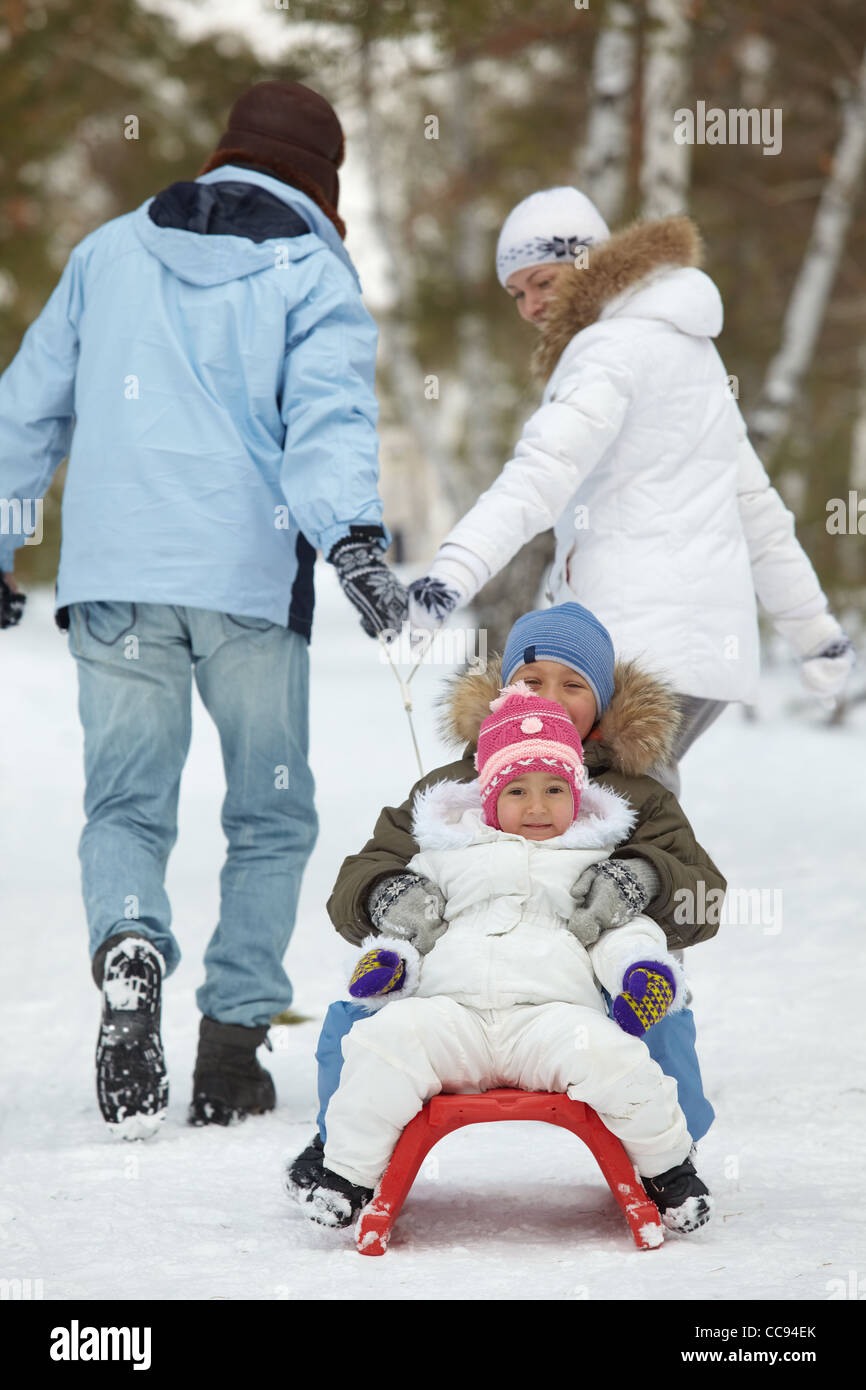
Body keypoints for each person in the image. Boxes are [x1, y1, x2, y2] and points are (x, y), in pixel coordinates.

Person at [0, 80, 407, 1137]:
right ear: (324, 176)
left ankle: (129, 943)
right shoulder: (311, 269)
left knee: (126, 805)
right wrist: (354, 538)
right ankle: (231, 1049)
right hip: (245, 583)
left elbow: (25, 407)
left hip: (117, 580)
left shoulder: (108, 250)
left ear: (227, 149)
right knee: (267, 814)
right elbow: (325, 419)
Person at [406, 186, 856, 798]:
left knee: (613, 830)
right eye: (516, 293)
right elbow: (756, 508)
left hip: (632, 650)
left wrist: (450, 574)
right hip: (696, 659)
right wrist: (815, 633)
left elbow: (536, 479)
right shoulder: (688, 350)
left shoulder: (607, 354)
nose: (530, 305)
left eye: (541, 281)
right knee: (624, 826)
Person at [286, 602, 724, 1196]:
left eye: (574, 685)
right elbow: (366, 869)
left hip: (584, 979)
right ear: (503, 688)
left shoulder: (635, 794)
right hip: (459, 979)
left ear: (602, 700)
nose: (553, 694)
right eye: (533, 679)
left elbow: (705, 893)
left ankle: (672, 1151)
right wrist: (387, 894)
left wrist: (642, 879)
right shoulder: (454, 787)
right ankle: (338, 1143)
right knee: (359, 1017)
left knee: (657, 1014)